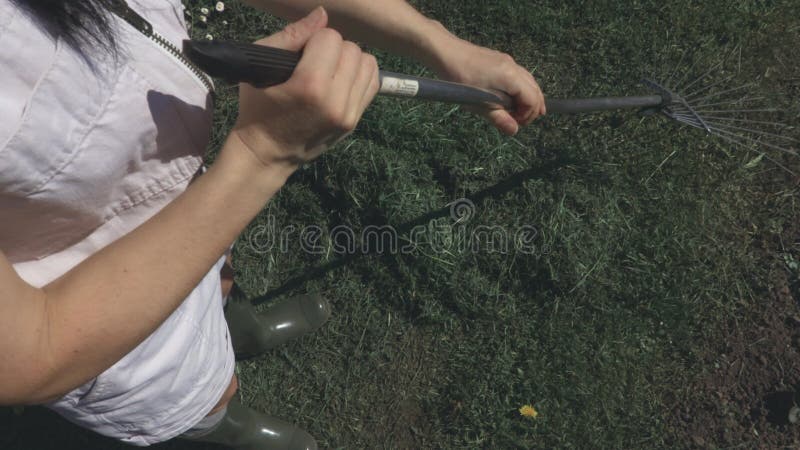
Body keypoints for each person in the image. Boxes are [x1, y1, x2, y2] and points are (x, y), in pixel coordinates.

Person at [0, 0, 545, 448]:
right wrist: (262, 156)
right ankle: (217, 421)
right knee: (186, 382)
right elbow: (32, 351)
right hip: (92, 298)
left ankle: (242, 327)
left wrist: (440, 44)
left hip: (181, 190)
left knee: (219, 275)